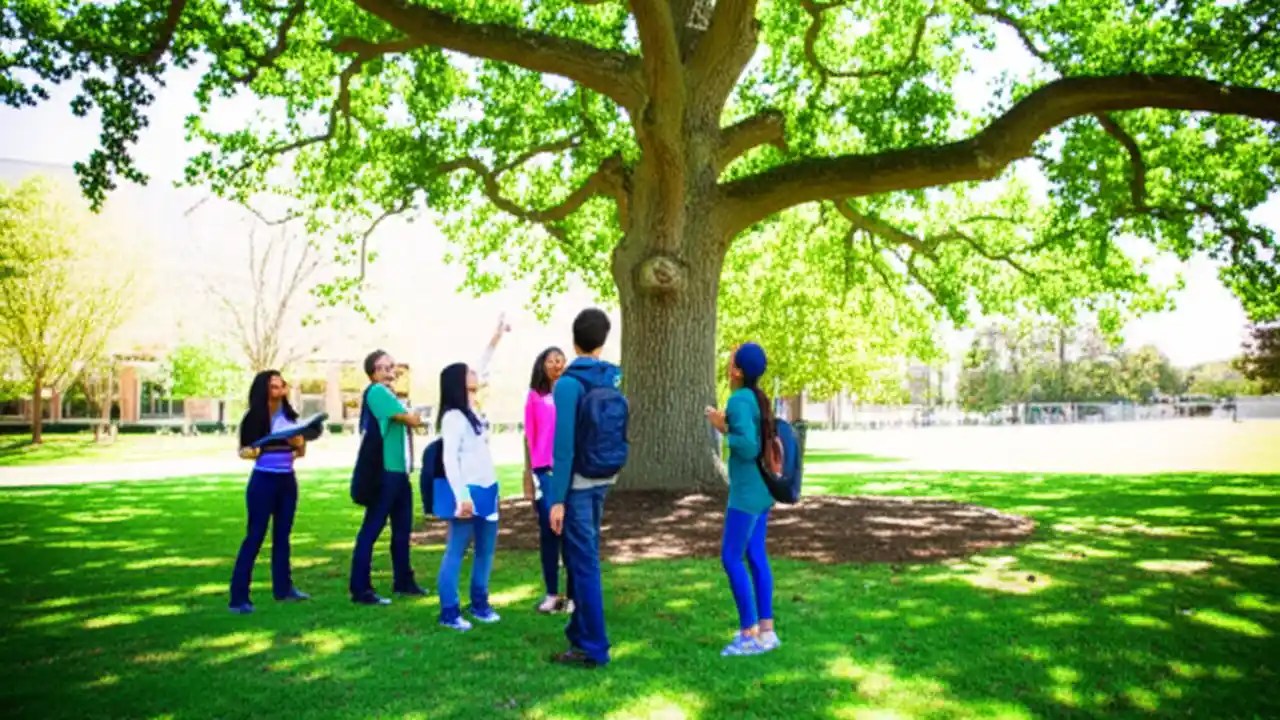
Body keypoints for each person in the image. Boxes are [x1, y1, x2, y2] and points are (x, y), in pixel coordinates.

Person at [546, 308, 624, 668]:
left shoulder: (568, 384)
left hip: (577, 483)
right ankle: (579, 634)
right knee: (581, 561)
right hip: (604, 476)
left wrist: (556, 499)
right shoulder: (612, 378)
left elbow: (563, 448)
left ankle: (594, 647)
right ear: (602, 340)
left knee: (585, 563)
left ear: (574, 339)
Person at [704, 342, 780, 655]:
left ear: (737, 371)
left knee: (731, 557)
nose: (726, 364)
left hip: (746, 495)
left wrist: (721, 426)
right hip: (762, 492)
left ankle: (748, 634)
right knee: (756, 556)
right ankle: (767, 630)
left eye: (731, 360)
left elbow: (747, 446)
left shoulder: (738, 400)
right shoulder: (758, 398)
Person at [436, 318, 510, 631]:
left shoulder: (473, 412)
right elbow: (449, 459)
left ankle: (480, 603)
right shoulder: (453, 417)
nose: (475, 374)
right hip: (467, 492)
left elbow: (483, 363)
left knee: (486, 549)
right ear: (457, 381)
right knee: (456, 550)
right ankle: (449, 612)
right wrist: (462, 496)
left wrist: (495, 337)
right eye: (468, 372)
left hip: (487, 488)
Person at [348, 349, 427, 605]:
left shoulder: (391, 394)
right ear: (372, 372)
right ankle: (361, 589)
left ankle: (403, 581)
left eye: (391, 367)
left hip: (400, 472)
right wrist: (414, 416)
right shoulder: (376, 391)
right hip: (385, 472)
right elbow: (409, 419)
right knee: (371, 529)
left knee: (402, 530)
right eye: (383, 368)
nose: (389, 372)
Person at [229, 370, 309, 614]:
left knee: (282, 537)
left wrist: (298, 443)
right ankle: (239, 598)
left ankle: (284, 589)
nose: (279, 390)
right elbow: (243, 451)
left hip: (287, 481)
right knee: (255, 537)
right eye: (274, 387)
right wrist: (256, 451)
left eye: (282, 386)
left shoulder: (289, 417)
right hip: (263, 481)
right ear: (264, 390)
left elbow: (301, 451)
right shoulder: (254, 418)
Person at [523, 346, 572, 614]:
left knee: (570, 533)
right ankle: (553, 594)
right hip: (545, 471)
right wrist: (527, 474)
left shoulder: (571, 392)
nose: (557, 364)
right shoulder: (534, 397)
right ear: (542, 364)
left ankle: (573, 596)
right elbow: (529, 436)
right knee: (550, 531)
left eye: (561, 361)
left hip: (568, 468)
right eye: (552, 360)